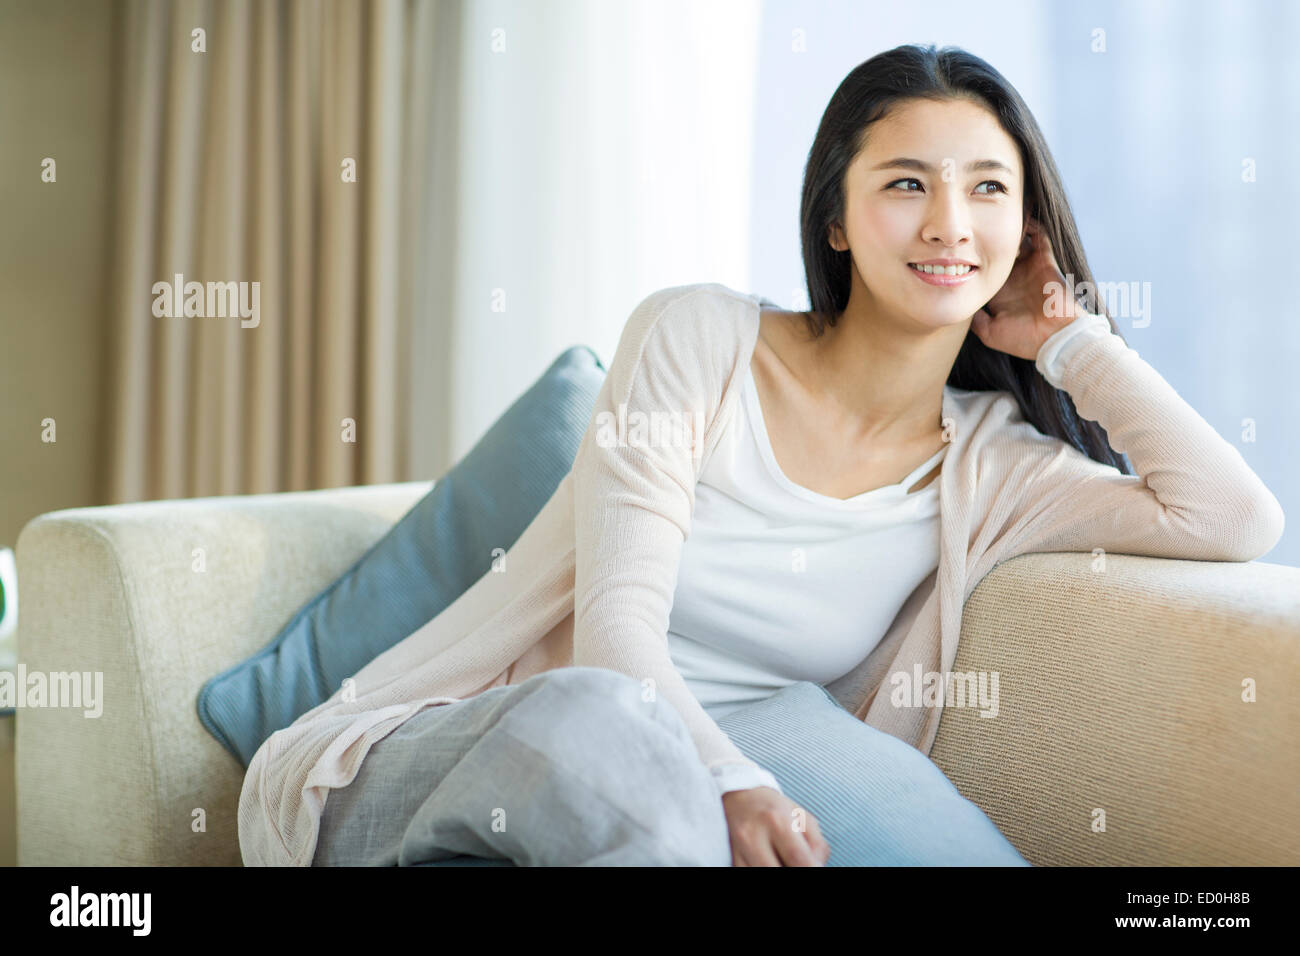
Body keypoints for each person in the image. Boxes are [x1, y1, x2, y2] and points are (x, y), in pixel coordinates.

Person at [241, 43, 1284, 868]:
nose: (950, 224)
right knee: (600, 722)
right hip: (475, 745)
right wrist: (733, 783)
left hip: (713, 763)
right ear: (834, 217)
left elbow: (1230, 518)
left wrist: (1067, 339)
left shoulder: (993, 468)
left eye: (987, 190)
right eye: (906, 184)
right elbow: (613, 634)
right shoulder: (696, 337)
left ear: (1024, 226)